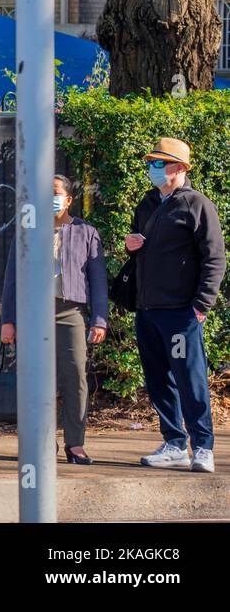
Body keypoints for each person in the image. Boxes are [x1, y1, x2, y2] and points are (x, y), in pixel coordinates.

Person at [125, 138, 225, 473]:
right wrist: (130, 245)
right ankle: (174, 442)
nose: (153, 168)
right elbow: (137, 244)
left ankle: (203, 446)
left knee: (190, 379)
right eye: (152, 161)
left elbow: (215, 259)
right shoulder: (147, 204)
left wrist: (200, 306)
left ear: (179, 168)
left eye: (159, 162)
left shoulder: (197, 205)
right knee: (158, 379)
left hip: (181, 312)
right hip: (148, 308)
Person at [1, 175, 109, 464]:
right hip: (33, 313)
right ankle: (42, 443)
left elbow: (98, 281)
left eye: (56, 193)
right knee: (37, 379)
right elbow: (12, 278)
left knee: (75, 377)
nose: (50, 198)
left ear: (69, 199)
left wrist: (100, 319)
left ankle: (75, 444)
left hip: (71, 311)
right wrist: (8, 320)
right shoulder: (27, 230)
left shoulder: (86, 232)